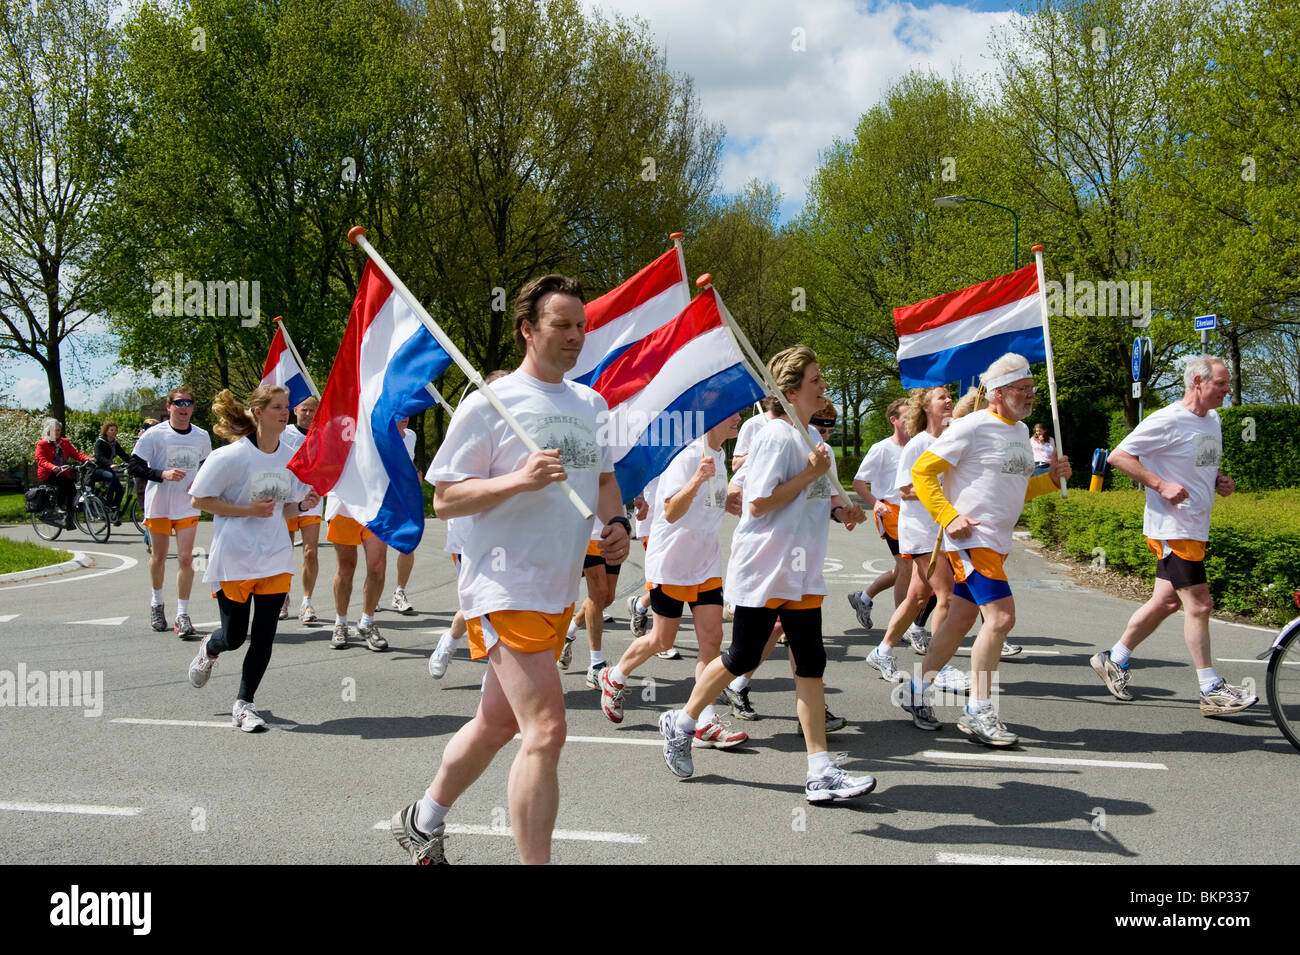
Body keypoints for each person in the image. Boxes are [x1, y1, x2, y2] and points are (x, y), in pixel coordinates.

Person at [390, 274, 629, 865]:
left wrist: (618, 523)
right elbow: (445, 497)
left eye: (581, 325)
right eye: (562, 325)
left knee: (495, 724)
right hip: (503, 584)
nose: (576, 336)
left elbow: (601, 478)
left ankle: (422, 819)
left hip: (556, 588)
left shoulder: (590, 404)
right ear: (527, 329)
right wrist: (517, 479)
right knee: (546, 730)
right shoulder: (489, 403)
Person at [656, 346, 875, 802]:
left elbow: (822, 500)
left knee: (811, 662)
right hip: (765, 566)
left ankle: (820, 770)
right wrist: (809, 473)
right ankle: (682, 721)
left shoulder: (816, 443)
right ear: (790, 390)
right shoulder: (777, 437)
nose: (823, 386)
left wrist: (844, 512)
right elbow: (758, 503)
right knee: (740, 657)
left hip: (802, 570)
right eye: (815, 379)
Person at [899, 354, 1071, 747]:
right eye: (1021, 390)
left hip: (997, 542)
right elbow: (922, 472)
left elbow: (1014, 490)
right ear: (997, 393)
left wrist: (1050, 481)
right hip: (971, 541)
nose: (1030, 396)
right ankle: (979, 711)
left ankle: (915, 691)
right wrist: (947, 515)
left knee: (959, 621)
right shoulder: (972, 426)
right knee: (1001, 618)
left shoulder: (1022, 430)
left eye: (1031, 389)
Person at [1091, 356, 1255, 717]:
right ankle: (1210, 689)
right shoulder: (1167, 418)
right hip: (1174, 528)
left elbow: (1199, 465)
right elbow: (1119, 456)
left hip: (1196, 527)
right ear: (1197, 382)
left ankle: (1112, 658)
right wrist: (1160, 483)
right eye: (1221, 384)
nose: (1228, 390)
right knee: (1199, 605)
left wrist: (1218, 481)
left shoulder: (1212, 421)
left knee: (1166, 602)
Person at [599, 414, 748, 749]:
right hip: (673, 562)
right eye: (732, 413)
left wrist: (727, 502)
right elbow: (670, 510)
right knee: (662, 640)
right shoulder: (686, 455)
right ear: (713, 418)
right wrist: (696, 478)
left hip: (705, 562)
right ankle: (615, 676)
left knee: (712, 638)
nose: (738, 418)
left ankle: (705, 719)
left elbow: (706, 502)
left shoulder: (720, 455)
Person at [186, 386, 319, 732]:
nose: (284, 412)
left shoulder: (291, 456)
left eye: (286, 406)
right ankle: (209, 649)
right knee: (233, 636)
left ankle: (244, 704)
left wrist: (303, 505)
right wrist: (246, 509)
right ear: (258, 413)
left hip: (275, 556)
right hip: (236, 558)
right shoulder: (230, 457)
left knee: (264, 635)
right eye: (277, 407)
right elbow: (199, 500)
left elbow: (285, 507)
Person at [866, 387, 966, 690]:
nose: (949, 400)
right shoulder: (918, 444)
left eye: (950, 396)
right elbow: (904, 490)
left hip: (943, 531)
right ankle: (941, 666)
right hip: (921, 531)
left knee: (917, 598)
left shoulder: (951, 441)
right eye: (941, 397)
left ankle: (882, 651)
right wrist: (938, 487)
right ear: (925, 407)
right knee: (946, 596)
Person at [129, 387, 212, 637]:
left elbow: (207, 465)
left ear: (193, 408)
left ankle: (182, 614)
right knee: (160, 556)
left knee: (186, 558)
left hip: (187, 504)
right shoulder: (155, 435)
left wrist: (201, 485)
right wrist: (161, 474)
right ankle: (157, 603)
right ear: (169, 407)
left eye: (188, 402)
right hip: (160, 504)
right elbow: (134, 465)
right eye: (178, 403)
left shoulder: (201, 436)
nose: (183, 407)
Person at [847, 398, 911, 632]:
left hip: (914, 513)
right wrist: (875, 504)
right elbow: (858, 482)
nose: (912, 420)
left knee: (904, 569)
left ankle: (863, 597)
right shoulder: (882, 448)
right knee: (907, 568)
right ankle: (902, 625)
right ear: (894, 420)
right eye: (906, 416)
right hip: (890, 512)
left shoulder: (919, 445)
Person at [280, 396, 323, 623]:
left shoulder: (322, 433)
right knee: (284, 550)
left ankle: (307, 601)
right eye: (304, 410)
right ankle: (282, 596)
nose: (307, 414)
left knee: (310, 552)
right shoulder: (284, 433)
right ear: (295, 410)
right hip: (287, 500)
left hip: (312, 499)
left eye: (312, 410)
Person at [35, 420, 89, 530]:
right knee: (65, 485)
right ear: (49, 431)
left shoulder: (65, 442)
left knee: (72, 490)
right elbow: (40, 459)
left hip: (62, 472)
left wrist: (88, 459)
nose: (57, 432)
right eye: (55, 430)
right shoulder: (42, 444)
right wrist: (52, 467)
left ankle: (68, 517)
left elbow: (76, 454)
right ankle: (57, 507)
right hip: (47, 474)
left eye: (59, 430)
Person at [391, 416, 421, 615]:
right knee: (376, 553)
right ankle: (372, 593)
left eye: (407, 412)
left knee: (408, 545)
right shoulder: (378, 435)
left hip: (403, 498)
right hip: (382, 499)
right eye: (400, 413)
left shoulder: (411, 436)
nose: (405, 417)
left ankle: (400, 592)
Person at [93, 421, 128, 522]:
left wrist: (135, 462)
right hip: (98, 469)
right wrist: (110, 464)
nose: (114, 432)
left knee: (121, 490)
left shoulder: (114, 443)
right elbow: (99, 457)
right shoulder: (100, 442)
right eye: (111, 430)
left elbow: (123, 455)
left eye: (115, 430)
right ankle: (108, 503)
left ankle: (114, 509)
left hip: (108, 469)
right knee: (113, 477)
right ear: (106, 431)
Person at [730, 397, 778, 472]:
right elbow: (736, 466)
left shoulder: (799, 425)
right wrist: (761, 451)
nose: (739, 418)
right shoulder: (754, 424)